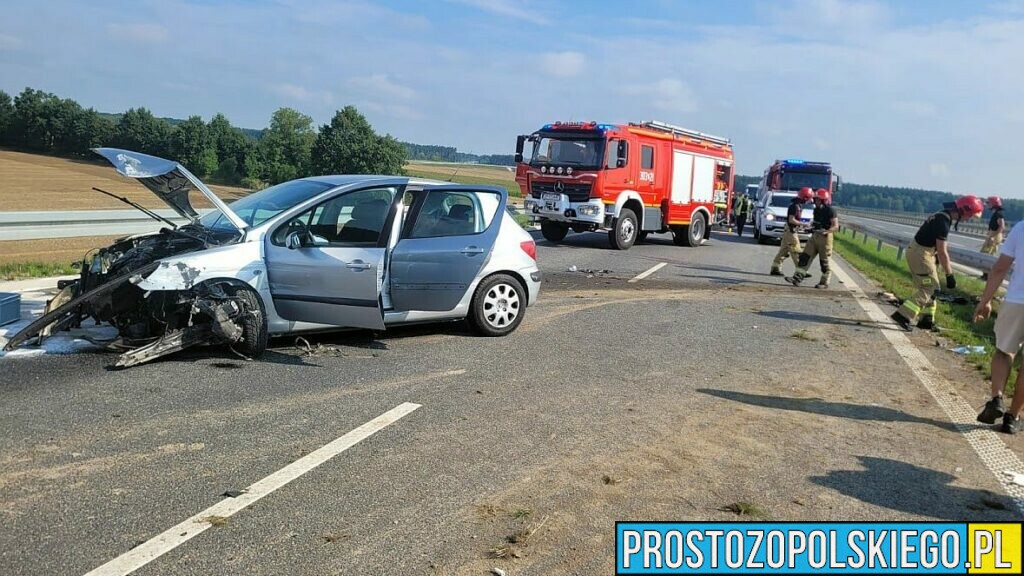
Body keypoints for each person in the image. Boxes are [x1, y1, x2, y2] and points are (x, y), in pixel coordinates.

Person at [890, 195, 984, 331]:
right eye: (970, 215)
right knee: (930, 288)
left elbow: (936, 246)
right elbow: (942, 251)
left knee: (933, 288)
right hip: (921, 255)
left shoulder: (943, 216)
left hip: (922, 253)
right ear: (964, 210)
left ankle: (926, 320)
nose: (969, 219)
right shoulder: (943, 221)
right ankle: (903, 315)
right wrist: (949, 275)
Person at [974, 218, 1024, 433]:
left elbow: (999, 268)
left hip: (1016, 301)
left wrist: (985, 301)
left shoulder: (1021, 227)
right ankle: (1012, 418)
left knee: (1004, 351)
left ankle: (997, 398)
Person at [786, 188, 838, 289]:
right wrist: (809, 228)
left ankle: (824, 282)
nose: (815, 201)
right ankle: (797, 278)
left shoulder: (831, 210)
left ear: (823, 200)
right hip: (815, 236)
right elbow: (815, 222)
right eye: (815, 199)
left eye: (818, 199)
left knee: (824, 262)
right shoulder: (816, 210)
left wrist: (827, 231)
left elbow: (835, 226)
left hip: (825, 238)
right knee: (805, 257)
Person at [770, 187, 813, 276]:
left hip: (789, 230)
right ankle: (801, 270)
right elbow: (791, 220)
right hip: (791, 231)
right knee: (796, 250)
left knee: (783, 251)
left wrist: (800, 225)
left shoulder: (798, 205)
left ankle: (775, 268)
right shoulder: (794, 206)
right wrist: (803, 224)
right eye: (808, 199)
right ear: (804, 198)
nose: (809, 201)